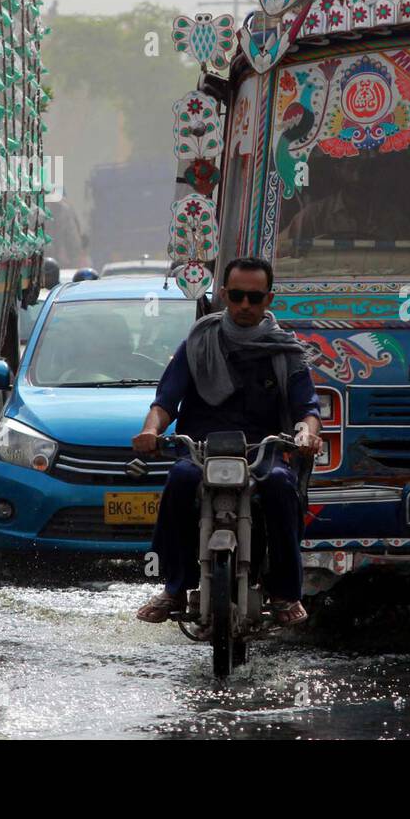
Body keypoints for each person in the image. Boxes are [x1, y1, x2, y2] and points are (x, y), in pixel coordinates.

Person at [134, 257, 322, 628]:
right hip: (202, 449)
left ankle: (285, 592)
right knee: (179, 481)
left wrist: (307, 433)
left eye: (254, 298)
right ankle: (174, 588)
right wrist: (150, 431)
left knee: (283, 487)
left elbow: (308, 408)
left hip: (263, 451)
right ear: (223, 295)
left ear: (268, 300)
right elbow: (165, 401)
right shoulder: (198, 342)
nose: (245, 306)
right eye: (237, 296)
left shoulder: (287, 351)